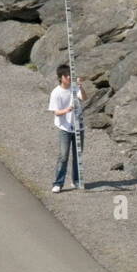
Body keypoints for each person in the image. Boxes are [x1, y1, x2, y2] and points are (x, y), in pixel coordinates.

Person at [47, 64, 85, 192]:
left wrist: (80, 86)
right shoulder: (56, 92)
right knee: (63, 156)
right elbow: (56, 112)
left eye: (70, 74)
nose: (69, 77)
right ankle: (58, 183)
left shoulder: (75, 87)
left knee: (78, 155)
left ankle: (77, 181)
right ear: (60, 78)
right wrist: (67, 110)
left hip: (79, 126)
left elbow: (83, 97)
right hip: (65, 128)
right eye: (66, 75)